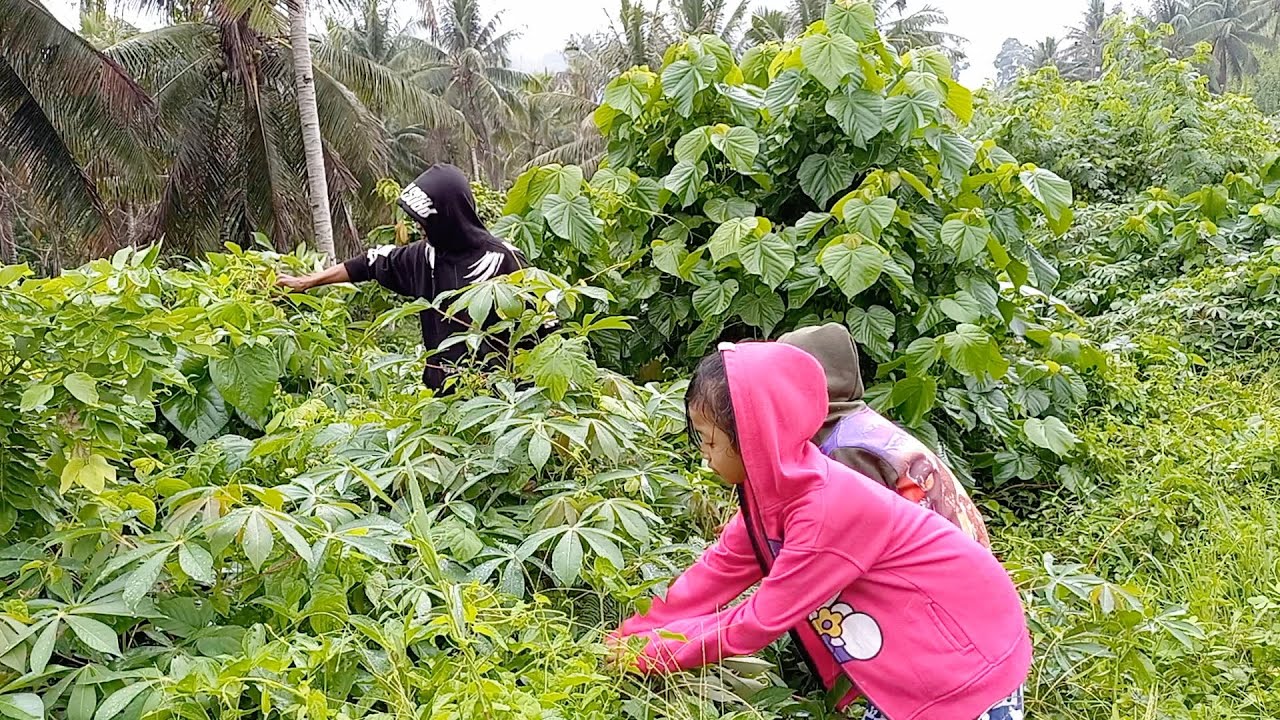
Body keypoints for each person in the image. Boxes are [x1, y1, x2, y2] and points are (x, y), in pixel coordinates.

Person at [609, 341, 1030, 720]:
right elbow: (715, 573)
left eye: (708, 441)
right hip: (923, 652)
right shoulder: (773, 493)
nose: (704, 456)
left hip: (967, 659)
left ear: (753, 437)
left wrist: (647, 653)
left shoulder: (825, 510)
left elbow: (757, 621)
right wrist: (629, 633)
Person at [277, 163, 527, 390]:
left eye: (424, 220)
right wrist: (307, 282)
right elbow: (367, 263)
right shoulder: (424, 256)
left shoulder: (505, 261)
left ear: (447, 216)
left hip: (496, 397)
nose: (417, 227)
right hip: (442, 398)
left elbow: (536, 331)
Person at [778, 324, 991, 547]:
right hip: (957, 551)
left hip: (943, 557)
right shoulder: (856, 425)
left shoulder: (847, 449)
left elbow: (860, 539)